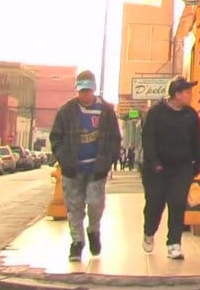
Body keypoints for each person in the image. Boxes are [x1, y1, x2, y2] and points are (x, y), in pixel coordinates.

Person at [49, 70, 121, 262]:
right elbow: (56, 137)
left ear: (94, 89)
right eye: (81, 91)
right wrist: (64, 159)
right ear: (77, 90)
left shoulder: (106, 111)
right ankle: (77, 243)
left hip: (96, 169)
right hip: (73, 169)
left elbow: (115, 139)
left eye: (88, 91)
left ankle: (93, 230)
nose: (85, 95)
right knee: (75, 207)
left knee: (96, 203)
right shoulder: (66, 111)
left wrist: (107, 161)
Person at [141, 76, 200, 260]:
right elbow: (148, 139)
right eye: (187, 92)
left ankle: (174, 243)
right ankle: (149, 232)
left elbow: (196, 140)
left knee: (177, 203)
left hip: (181, 168)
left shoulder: (190, 115)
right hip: (157, 169)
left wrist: (197, 161)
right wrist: (154, 162)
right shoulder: (155, 113)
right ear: (177, 94)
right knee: (155, 204)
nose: (190, 95)